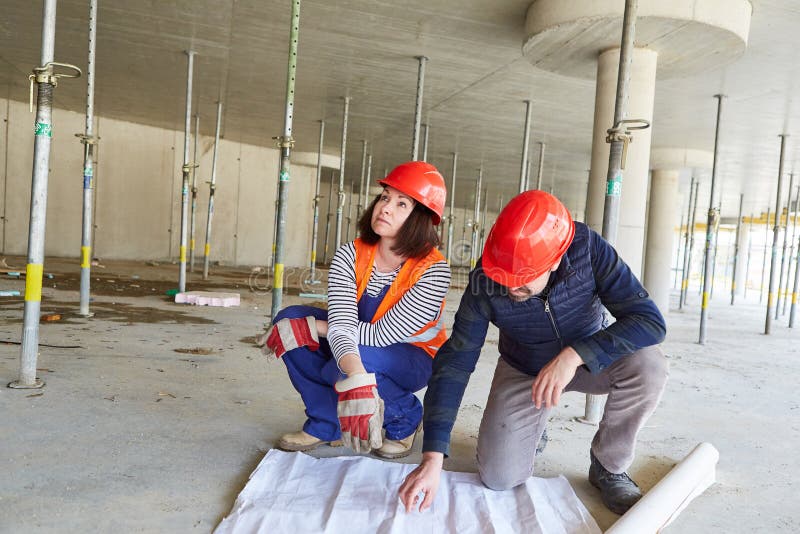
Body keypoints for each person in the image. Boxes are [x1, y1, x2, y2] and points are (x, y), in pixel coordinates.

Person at [398, 190, 668, 515]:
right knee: (499, 477)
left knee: (649, 366)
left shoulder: (589, 250)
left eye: (523, 280)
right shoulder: (484, 280)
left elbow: (649, 321)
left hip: (589, 358)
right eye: (504, 278)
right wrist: (433, 457)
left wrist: (573, 355)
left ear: (556, 260)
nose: (511, 289)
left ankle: (608, 466)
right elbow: (455, 363)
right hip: (525, 368)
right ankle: (532, 430)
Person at [258, 161, 451, 459]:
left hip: (414, 357)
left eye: (402, 204)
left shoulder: (433, 270)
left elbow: (381, 334)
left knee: (336, 361)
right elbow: (344, 320)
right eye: (385, 197)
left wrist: (320, 333)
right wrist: (349, 366)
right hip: (357, 340)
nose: (385, 208)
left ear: (421, 218)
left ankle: (405, 417)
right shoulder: (351, 254)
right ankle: (326, 423)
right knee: (290, 321)